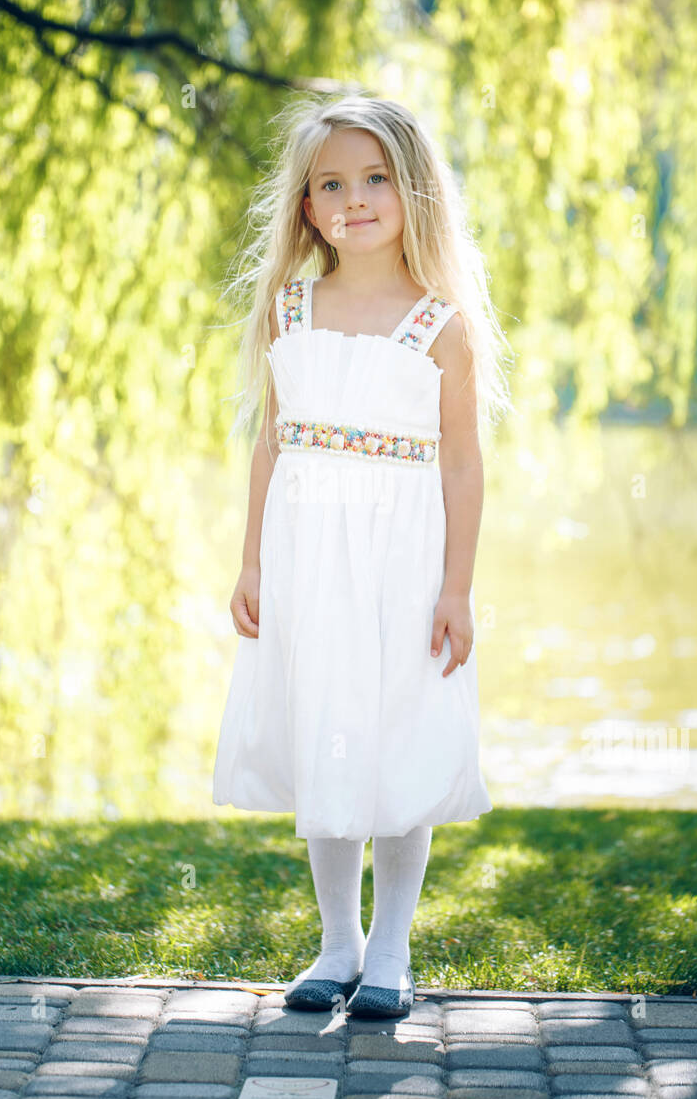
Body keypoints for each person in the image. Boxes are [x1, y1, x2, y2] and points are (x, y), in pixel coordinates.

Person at [212, 92, 513, 1019]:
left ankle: (391, 949)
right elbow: (272, 441)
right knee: (326, 732)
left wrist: (457, 589)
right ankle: (337, 942)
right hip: (309, 560)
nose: (355, 199)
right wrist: (252, 563)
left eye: (376, 178)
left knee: (397, 738)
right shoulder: (290, 311)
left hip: (403, 561)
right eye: (332, 185)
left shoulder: (440, 325)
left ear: (414, 189)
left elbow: (461, 464)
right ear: (307, 207)